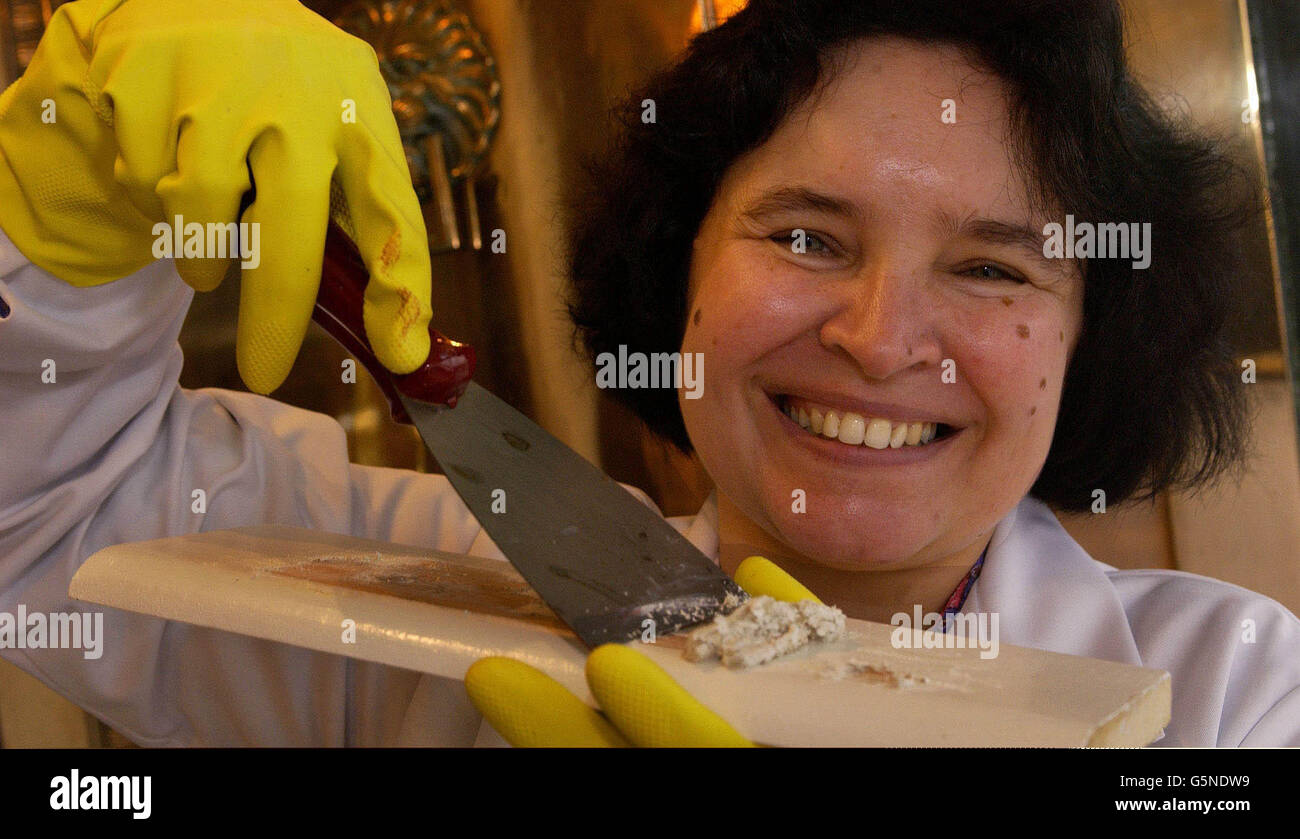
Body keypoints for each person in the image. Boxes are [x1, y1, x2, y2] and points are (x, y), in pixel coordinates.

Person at [0, 0, 1296, 748]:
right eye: (804, 237)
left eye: (997, 269)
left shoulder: (1234, 692)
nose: (882, 335)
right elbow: (44, 518)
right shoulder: (415, 604)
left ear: (1086, 335)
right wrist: (59, 230)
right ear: (680, 275)